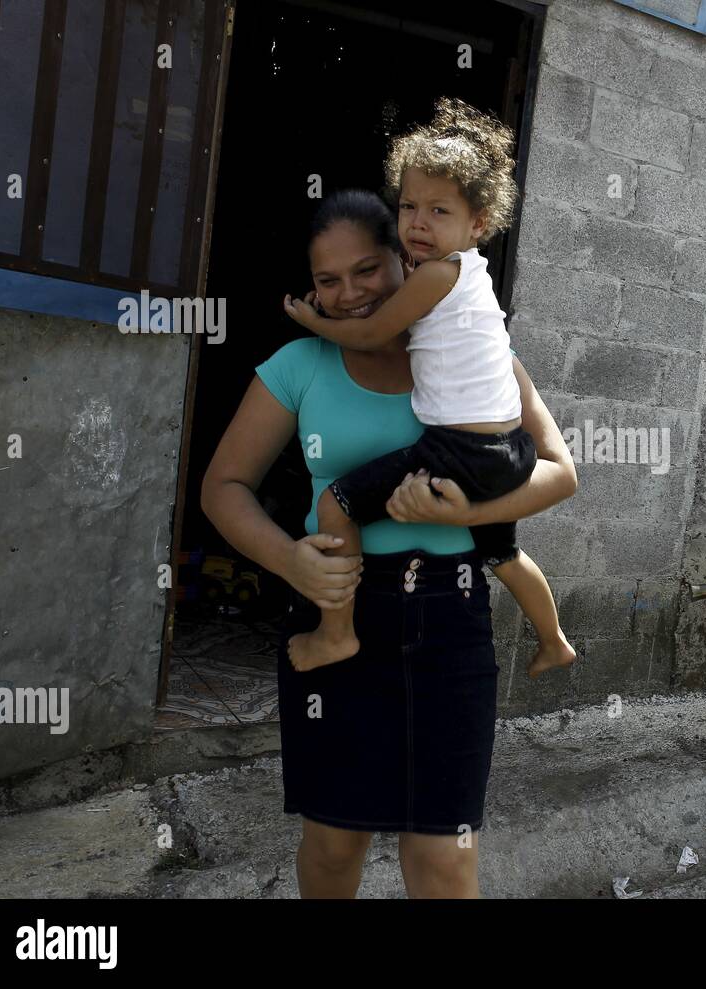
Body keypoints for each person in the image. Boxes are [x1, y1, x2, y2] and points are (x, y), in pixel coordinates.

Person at [201, 188, 577, 898]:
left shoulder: (472, 346)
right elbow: (222, 487)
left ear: (406, 261)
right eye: (327, 280)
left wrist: (458, 511)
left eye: (367, 270)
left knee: (443, 853)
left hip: (450, 623)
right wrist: (288, 559)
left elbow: (561, 471)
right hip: (338, 609)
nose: (348, 295)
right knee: (335, 839)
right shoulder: (299, 365)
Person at [282, 97, 575, 680]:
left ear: (478, 225)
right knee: (503, 553)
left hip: (455, 451)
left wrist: (314, 320)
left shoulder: (438, 275)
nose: (417, 222)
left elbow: (370, 332)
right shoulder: (470, 279)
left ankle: (335, 633)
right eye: (409, 206)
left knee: (333, 504)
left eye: (438, 211)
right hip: (506, 450)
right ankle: (554, 638)